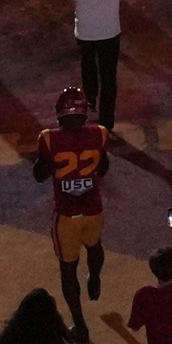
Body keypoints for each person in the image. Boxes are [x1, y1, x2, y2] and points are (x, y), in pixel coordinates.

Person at [38, 83, 112, 330]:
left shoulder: (49, 138)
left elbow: (39, 175)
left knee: (68, 270)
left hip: (67, 215)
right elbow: (103, 168)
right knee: (94, 245)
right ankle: (95, 276)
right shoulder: (99, 133)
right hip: (93, 209)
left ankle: (80, 324)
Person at [64, 0, 130, 126]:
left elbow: (70, 2)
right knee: (109, 76)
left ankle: (90, 99)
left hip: (85, 31)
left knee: (88, 65)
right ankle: (107, 121)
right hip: (109, 31)